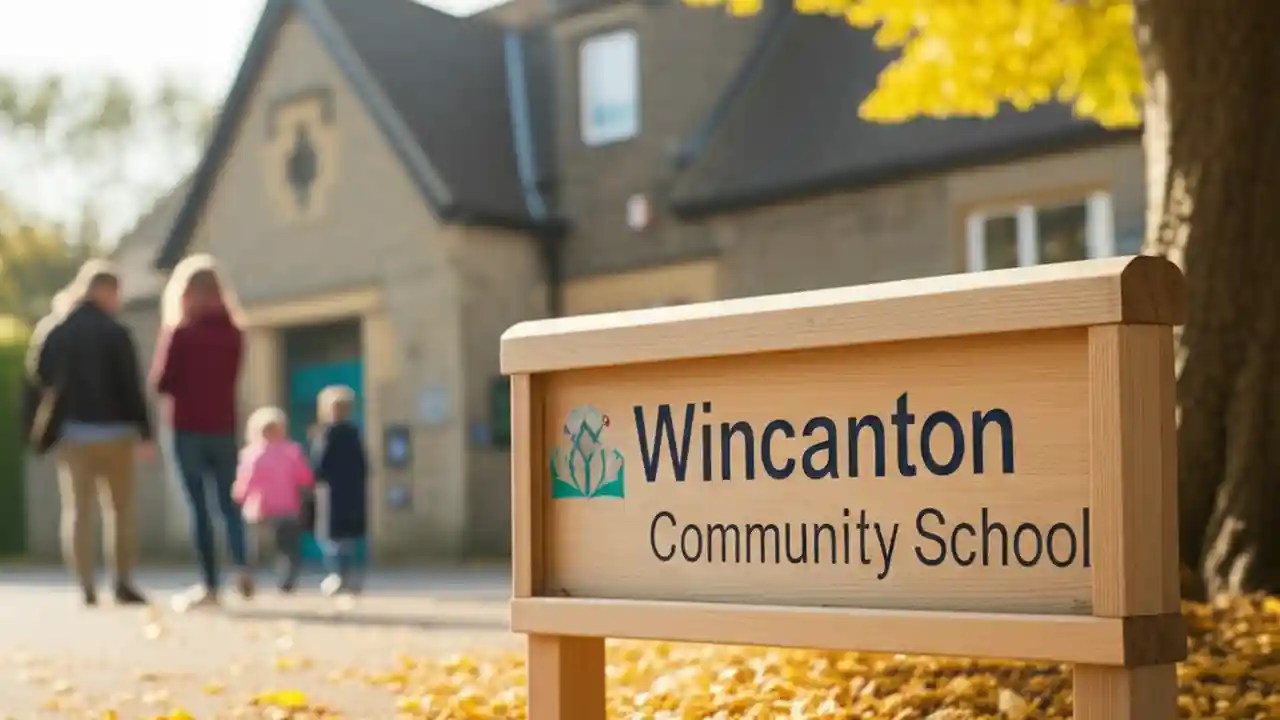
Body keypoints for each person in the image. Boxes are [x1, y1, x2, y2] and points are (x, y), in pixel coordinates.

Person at [25, 261, 152, 606]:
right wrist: (146, 432)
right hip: (116, 433)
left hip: (73, 434)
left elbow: (38, 375)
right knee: (120, 511)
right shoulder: (116, 332)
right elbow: (131, 386)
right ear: (104, 291)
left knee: (78, 512)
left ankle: (86, 585)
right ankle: (122, 582)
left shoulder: (56, 329)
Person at [150, 254, 247, 608]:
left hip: (187, 427)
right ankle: (241, 566)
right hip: (223, 426)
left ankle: (210, 584)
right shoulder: (235, 333)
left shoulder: (181, 333)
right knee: (228, 505)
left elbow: (162, 382)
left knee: (199, 508)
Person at [232, 407, 314, 593]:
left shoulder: (251, 453)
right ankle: (287, 580)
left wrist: (239, 496)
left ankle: (248, 575)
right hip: (288, 508)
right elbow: (304, 477)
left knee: (257, 549)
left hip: (260, 509)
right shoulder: (293, 451)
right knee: (289, 549)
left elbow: (246, 480)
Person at [311, 386, 368, 596]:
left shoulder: (326, 434)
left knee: (332, 538)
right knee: (349, 539)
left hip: (333, 493)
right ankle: (350, 578)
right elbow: (363, 465)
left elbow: (319, 466)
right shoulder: (355, 432)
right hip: (352, 492)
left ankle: (339, 576)